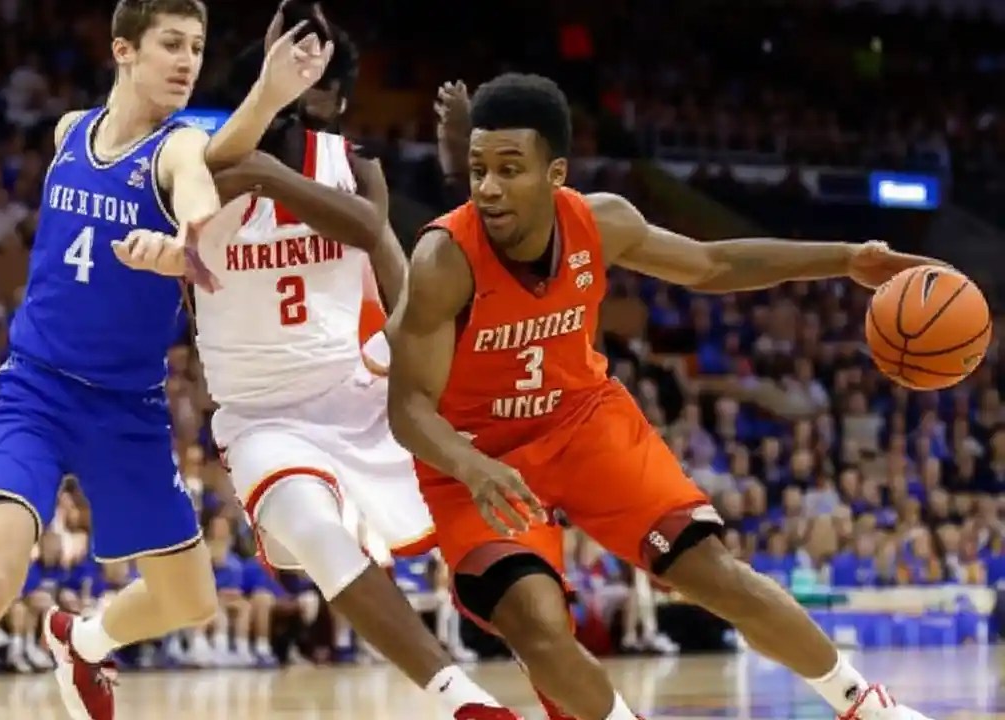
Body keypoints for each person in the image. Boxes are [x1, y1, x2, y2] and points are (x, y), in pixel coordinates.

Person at [386, 72, 939, 720]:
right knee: (536, 625)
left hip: (584, 421)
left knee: (714, 573)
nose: (487, 187)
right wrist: (471, 466)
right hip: (475, 455)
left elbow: (712, 265)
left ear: (556, 172)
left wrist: (844, 258)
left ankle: (864, 705)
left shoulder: (602, 222)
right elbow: (409, 408)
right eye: (478, 168)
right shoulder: (442, 260)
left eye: (510, 169)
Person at [0, 0, 332, 717]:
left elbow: (198, 189)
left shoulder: (175, 149)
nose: (187, 61)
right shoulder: (69, 132)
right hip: (35, 394)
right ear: (123, 50)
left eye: (197, 47)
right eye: (171, 43)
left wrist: (185, 245)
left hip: (127, 409)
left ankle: (85, 640)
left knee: (192, 599)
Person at [129, 5, 515, 716]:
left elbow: (376, 242)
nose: (317, 94)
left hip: (356, 388)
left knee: (495, 497)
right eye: (296, 76)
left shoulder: (352, 166)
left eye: (322, 78)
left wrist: (271, 178)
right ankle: (462, 701)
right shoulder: (194, 162)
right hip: (261, 414)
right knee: (318, 533)